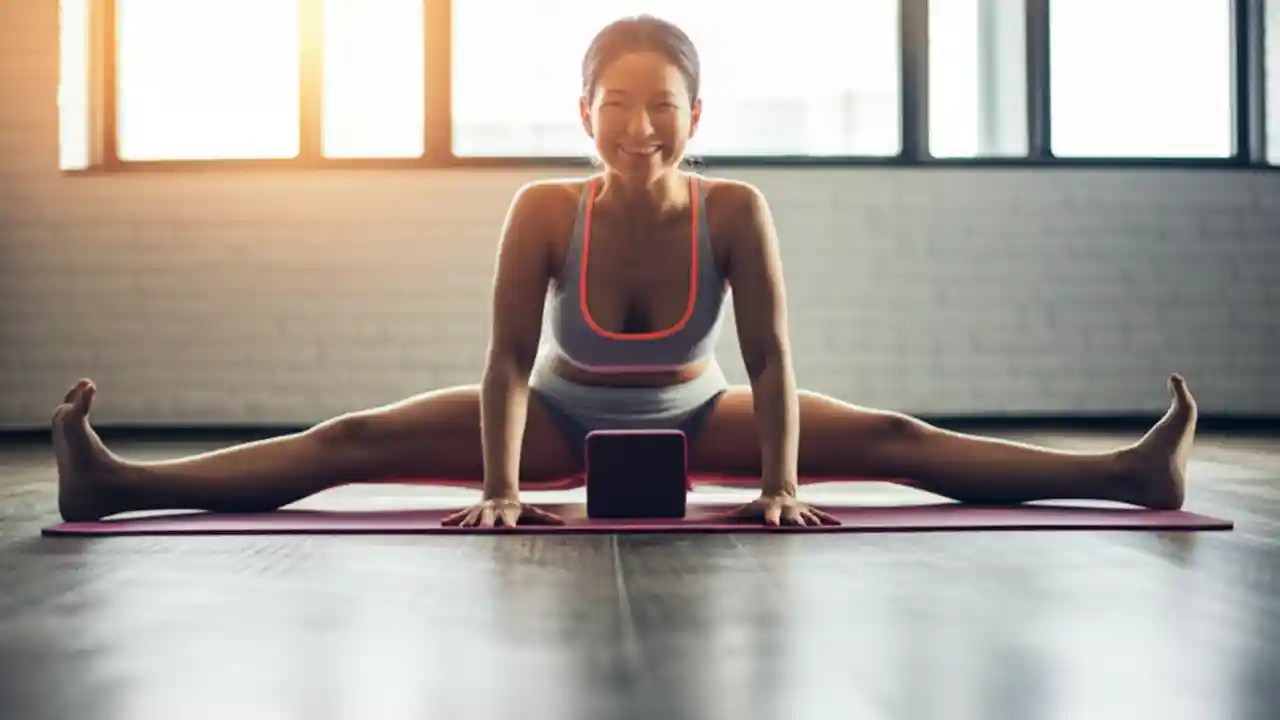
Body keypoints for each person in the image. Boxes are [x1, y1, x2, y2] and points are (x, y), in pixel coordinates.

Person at [51, 15, 1198, 528]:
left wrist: (777, 484)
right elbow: (503, 360)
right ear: (584, 112)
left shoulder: (735, 207)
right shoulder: (545, 207)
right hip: (556, 420)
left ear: (694, 114)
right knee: (350, 439)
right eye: (616, 106)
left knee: (895, 439)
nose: (637, 127)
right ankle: (116, 485)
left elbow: (773, 359)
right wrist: (501, 485)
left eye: (661, 107)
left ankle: (1127, 474)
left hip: (702, 418)